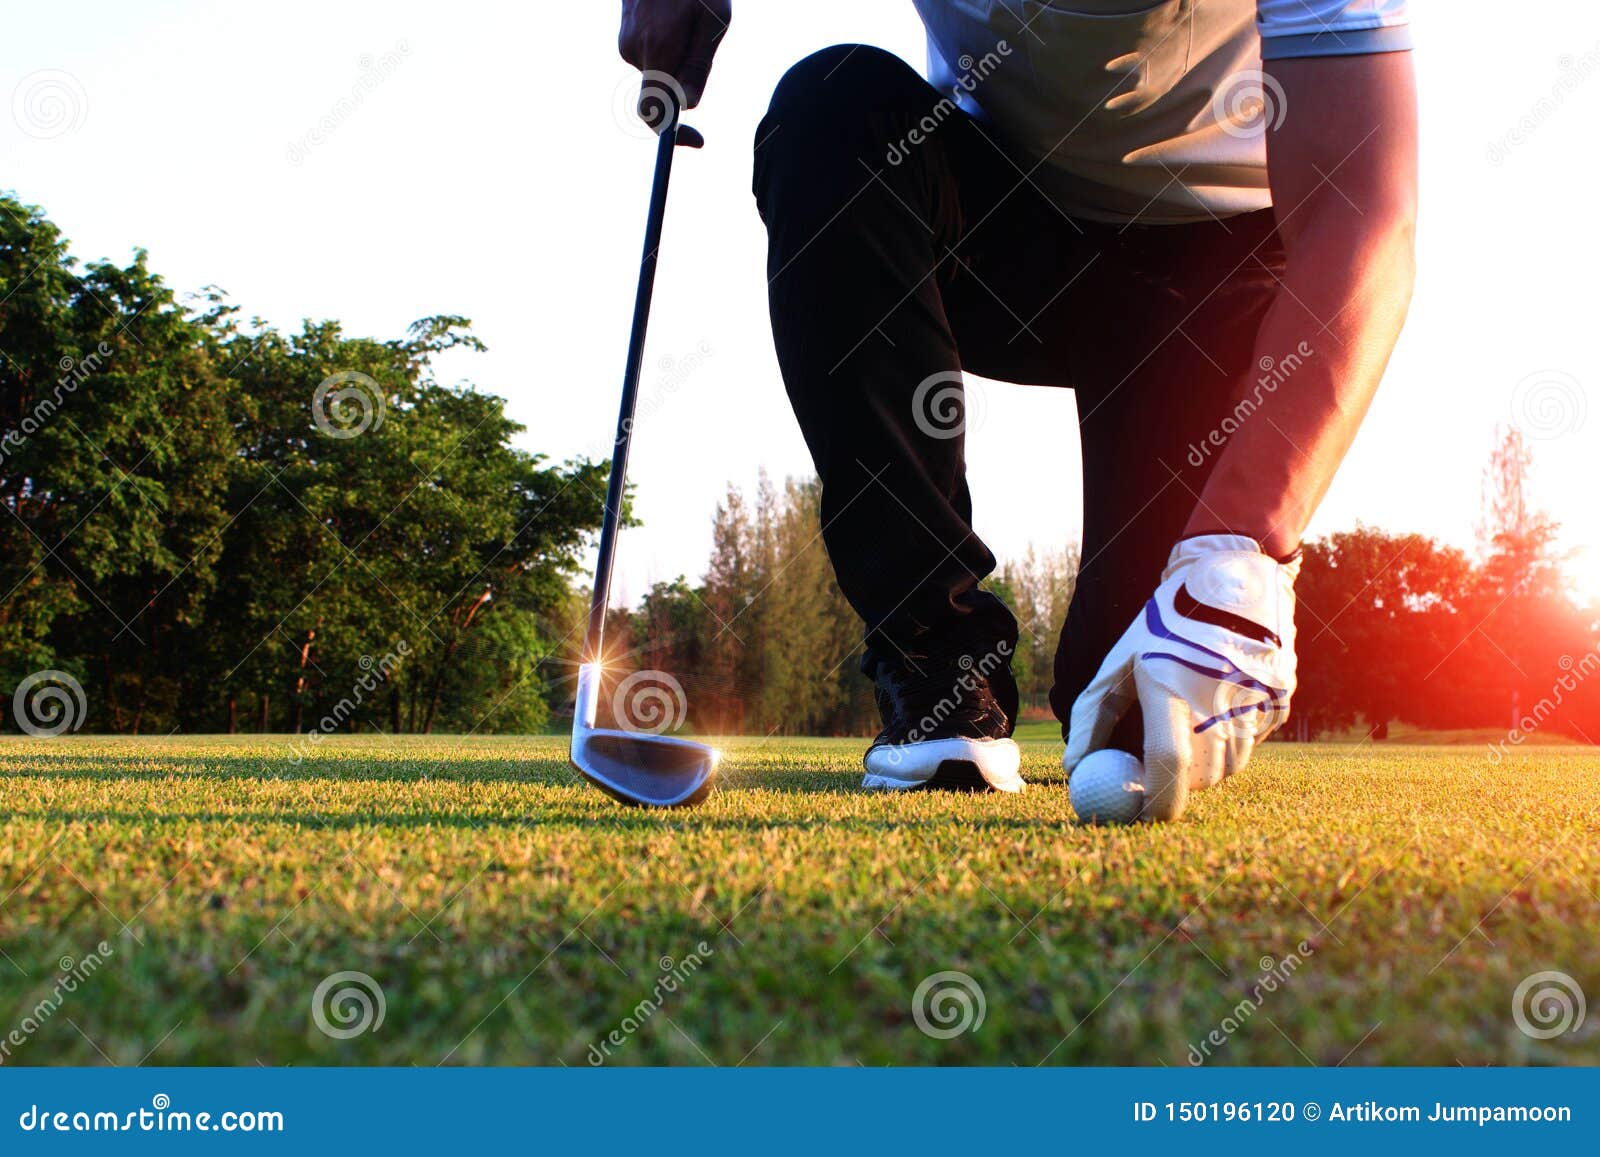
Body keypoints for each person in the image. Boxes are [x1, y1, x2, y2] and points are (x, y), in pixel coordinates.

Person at [618, 0, 1416, 819]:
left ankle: (1137, 636)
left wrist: (1242, 554)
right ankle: (937, 662)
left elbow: (1360, 213)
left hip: (1208, 271)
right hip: (992, 222)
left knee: (1124, 703)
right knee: (831, 107)